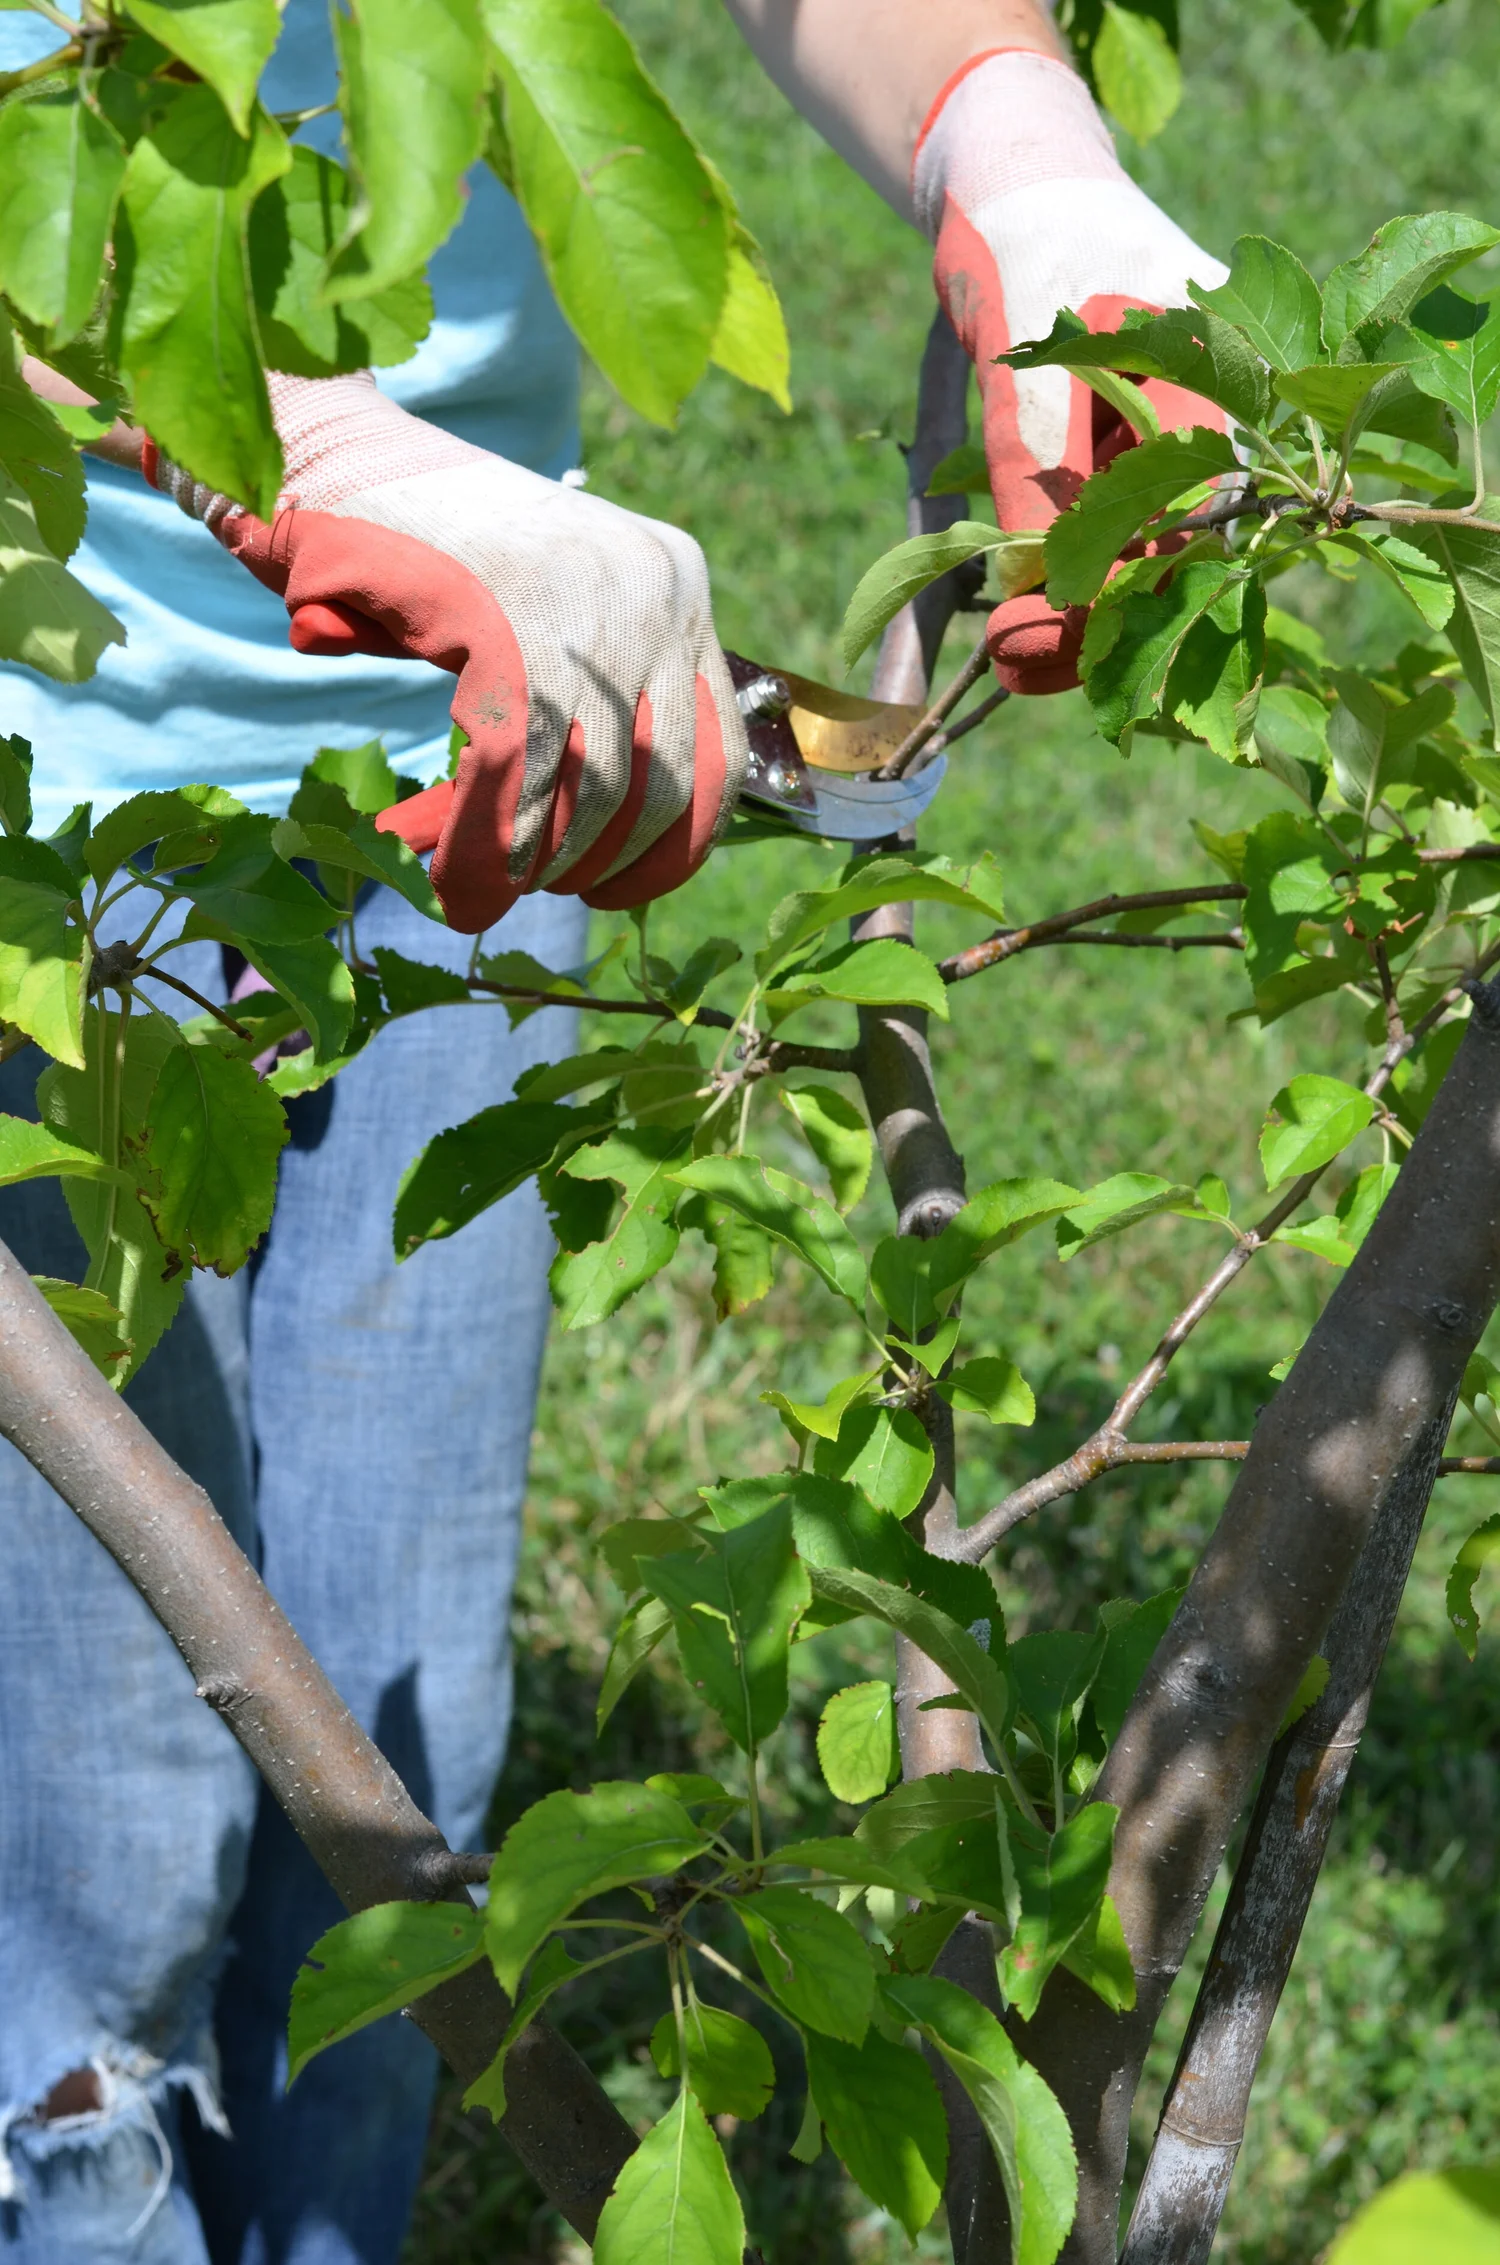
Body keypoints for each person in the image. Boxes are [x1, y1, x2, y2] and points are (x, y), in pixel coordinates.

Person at [0, 2, 1225, 2258]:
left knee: (403, 1768)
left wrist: (1010, 133)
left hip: (497, 761)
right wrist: (323, 445)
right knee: (108, 1851)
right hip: (40, 820)